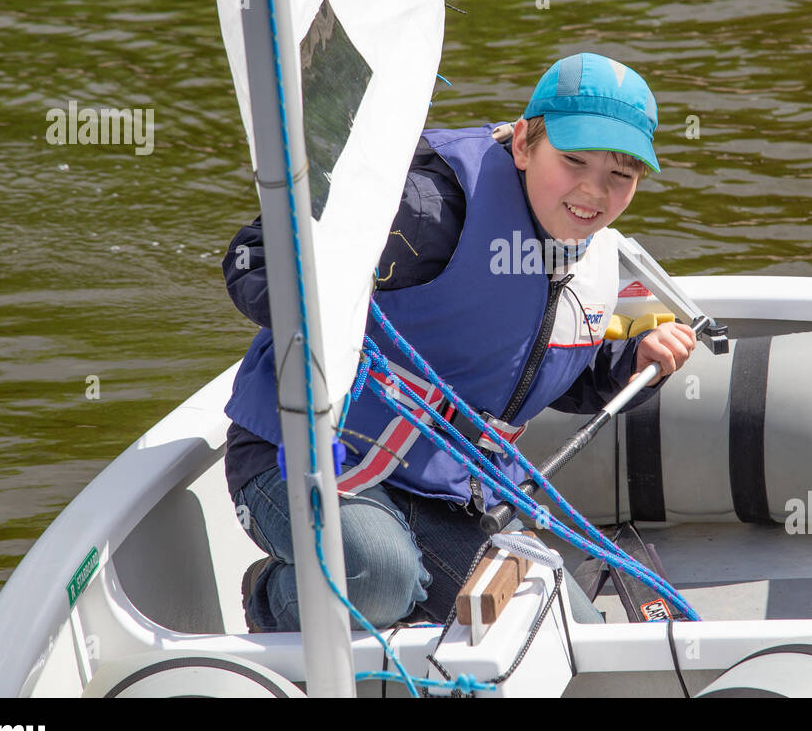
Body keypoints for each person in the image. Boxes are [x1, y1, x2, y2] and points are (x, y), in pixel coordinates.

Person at [222, 51, 696, 633]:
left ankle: (403, 588)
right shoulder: (429, 212)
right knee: (379, 576)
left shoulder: (589, 253)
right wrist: (322, 307)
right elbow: (253, 255)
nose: (593, 192)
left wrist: (631, 363)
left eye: (619, 176)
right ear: (522, 145)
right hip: (306, 454)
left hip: (439, 490)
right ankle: (270, 600)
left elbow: (539, 370)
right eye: (573, 160)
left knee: (563, 636)